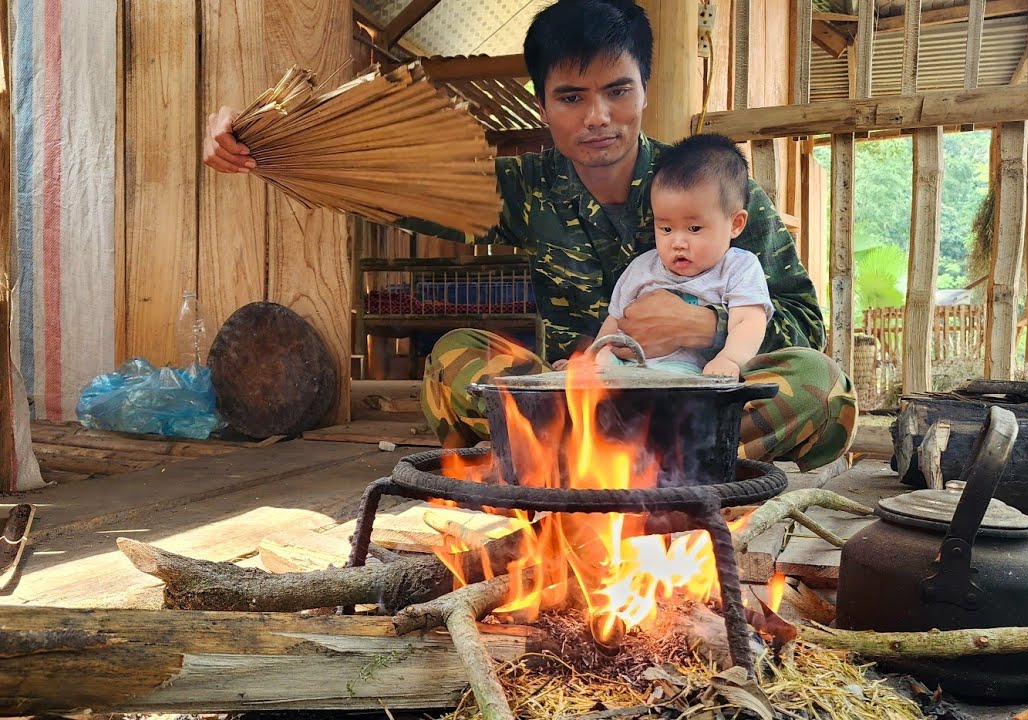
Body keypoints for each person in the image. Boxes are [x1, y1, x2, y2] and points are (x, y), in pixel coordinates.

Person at [202, 0, 857, 471]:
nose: (598, 117)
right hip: (572, 403)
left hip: (696, 403)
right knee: (454, 364)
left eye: (617, 91)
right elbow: (394, 182)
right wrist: (260, 144)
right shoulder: (522, 186)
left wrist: (706, 330)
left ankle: (592, 468)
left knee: (823, 389)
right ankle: (626, 464)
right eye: (571, 97)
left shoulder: (717, 189)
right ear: (541, 104)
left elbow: (803, 322)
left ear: (645, 89)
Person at [594, 133, 769, 378]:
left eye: (694, 229)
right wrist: (592, 356)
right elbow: (615, 321)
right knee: (601, 364)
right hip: (627, 366)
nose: (677, 242)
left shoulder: (738, 268)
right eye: (666, 229)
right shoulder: (643, 266)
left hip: (687, 372)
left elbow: (749, 322)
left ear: (735, 224)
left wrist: (729, 359)